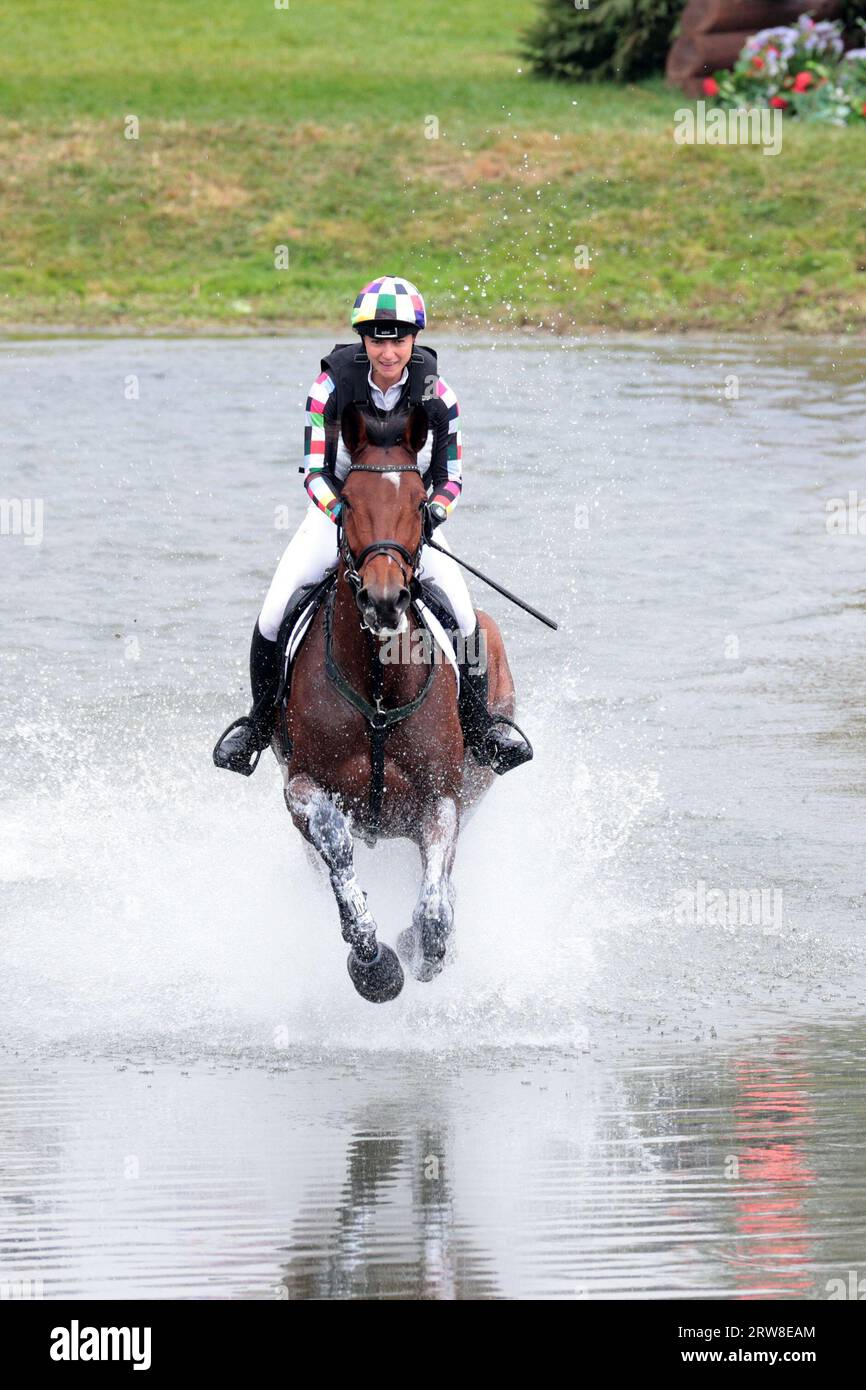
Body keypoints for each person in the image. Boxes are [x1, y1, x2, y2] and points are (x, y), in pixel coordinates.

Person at [213, 275, 531, 776]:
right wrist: (347, 515)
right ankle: (256, 726)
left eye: (399, 338)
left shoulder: (439, 395)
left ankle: (481, 731)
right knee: (275, 612)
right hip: (336, 515)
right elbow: (315, 472)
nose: (388, 351)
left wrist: (431, 514)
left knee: (466, 623)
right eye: (378, 338)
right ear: (363, 339)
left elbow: (451, 478)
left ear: (414, 339)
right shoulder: (330, 386)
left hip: (408, 523)